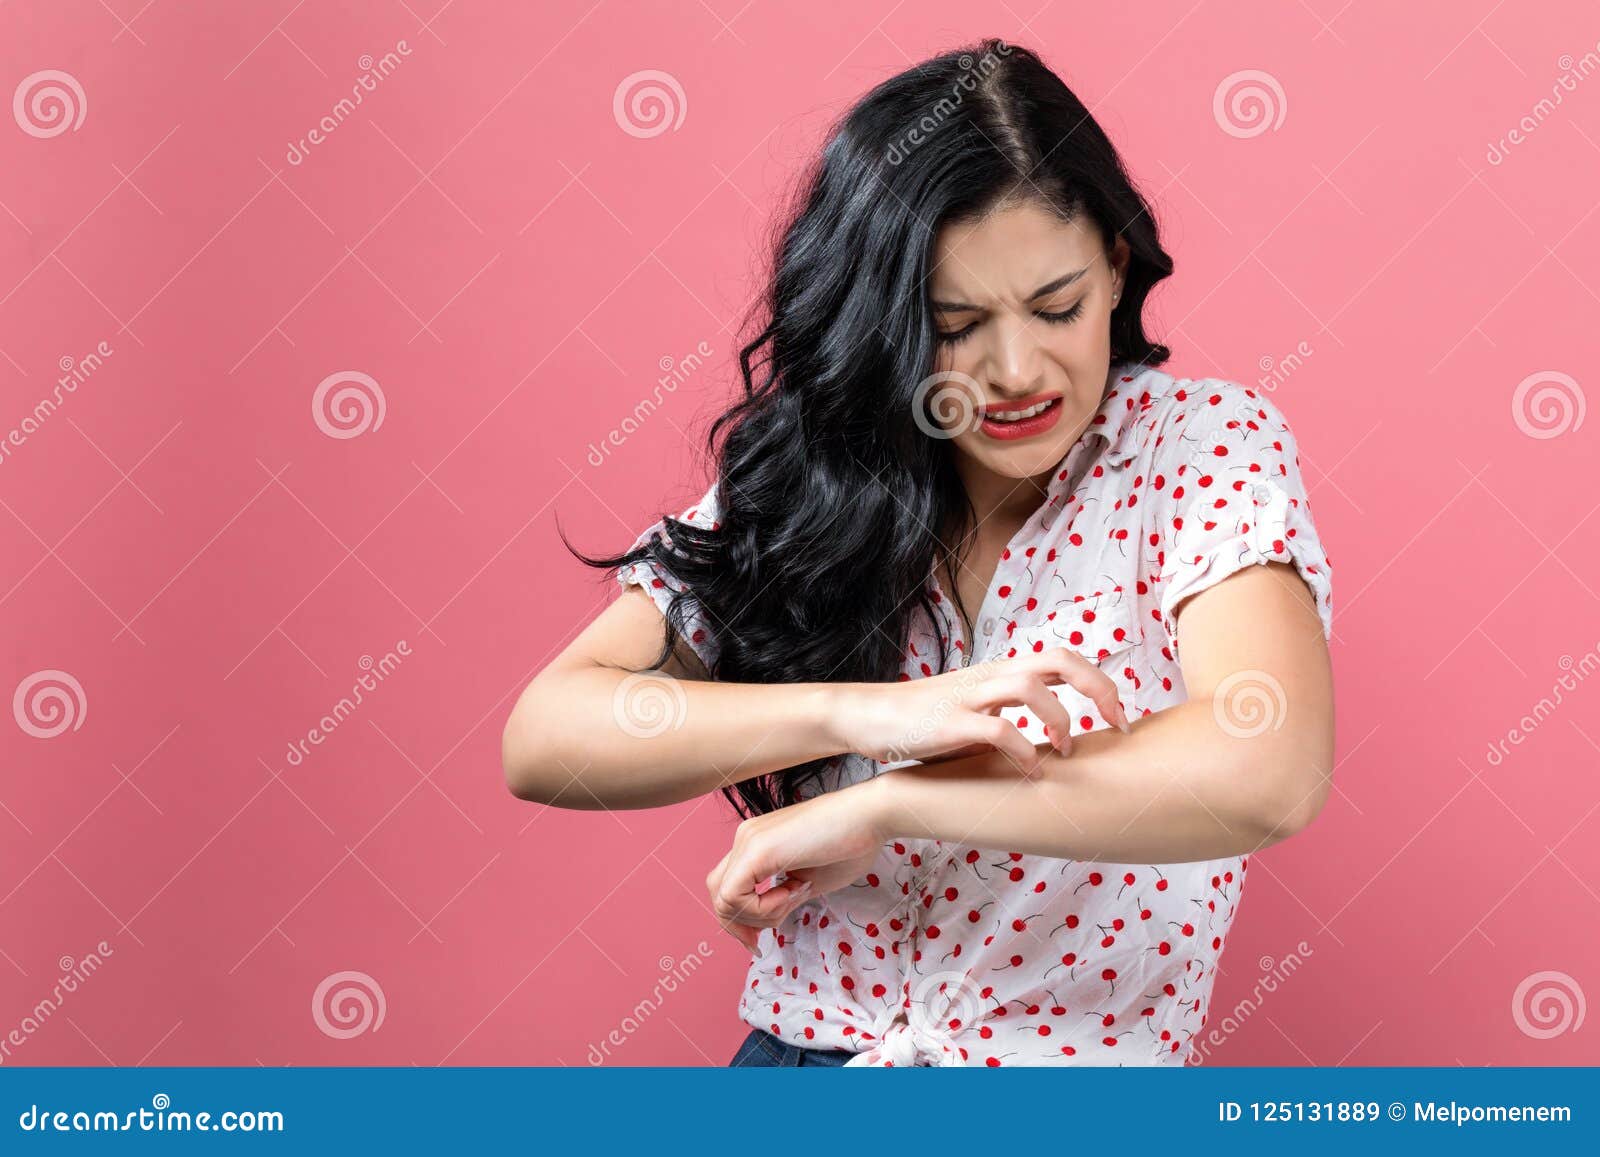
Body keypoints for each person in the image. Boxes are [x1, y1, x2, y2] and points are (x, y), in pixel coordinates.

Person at [502, 38, 1336, 1067]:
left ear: (1117, 269)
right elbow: (545, 737)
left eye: (1056, 305)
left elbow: (1270, 766)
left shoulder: (1196, 447)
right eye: (954, 325)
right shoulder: (823, 469)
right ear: (882, 322)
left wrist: (889, 799)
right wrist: (867, 710)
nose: (1016, 367)